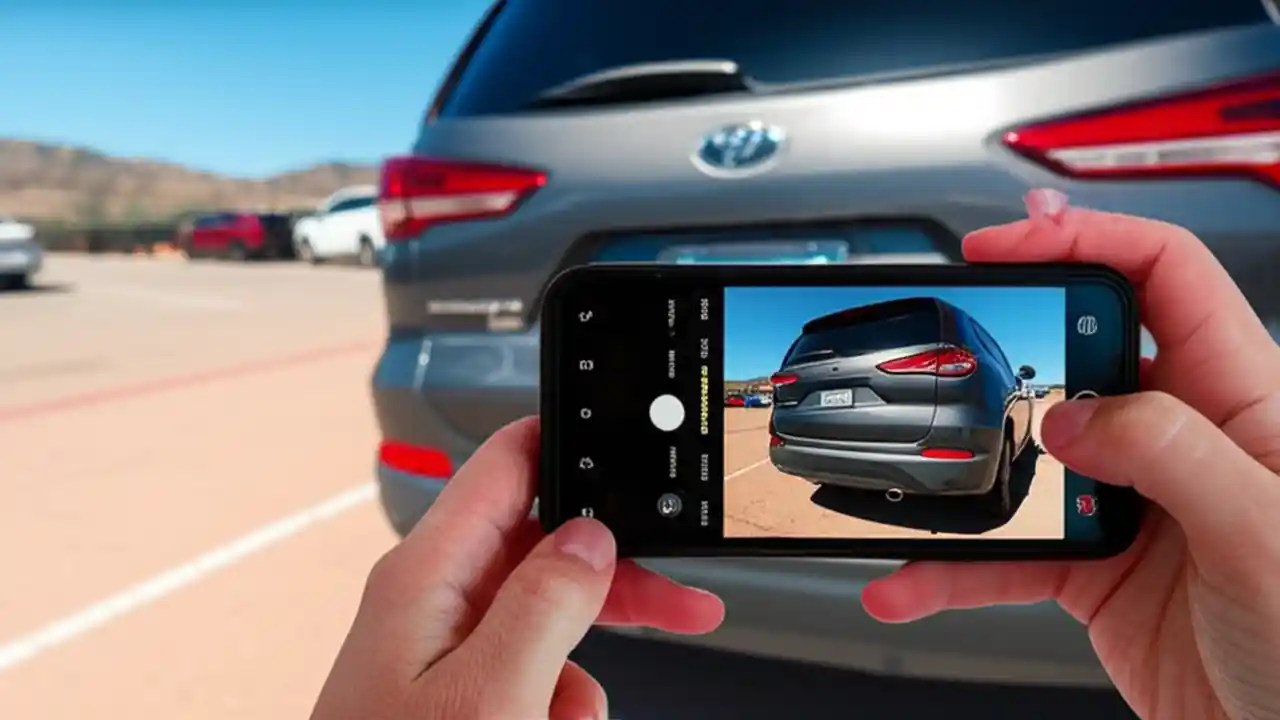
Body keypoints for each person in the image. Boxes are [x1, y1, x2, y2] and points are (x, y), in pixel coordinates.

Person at [311, 190, 1280, 720]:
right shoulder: (926, 354)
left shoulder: (885, 353)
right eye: (807, 367)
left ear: (967, 358)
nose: (824, 366)